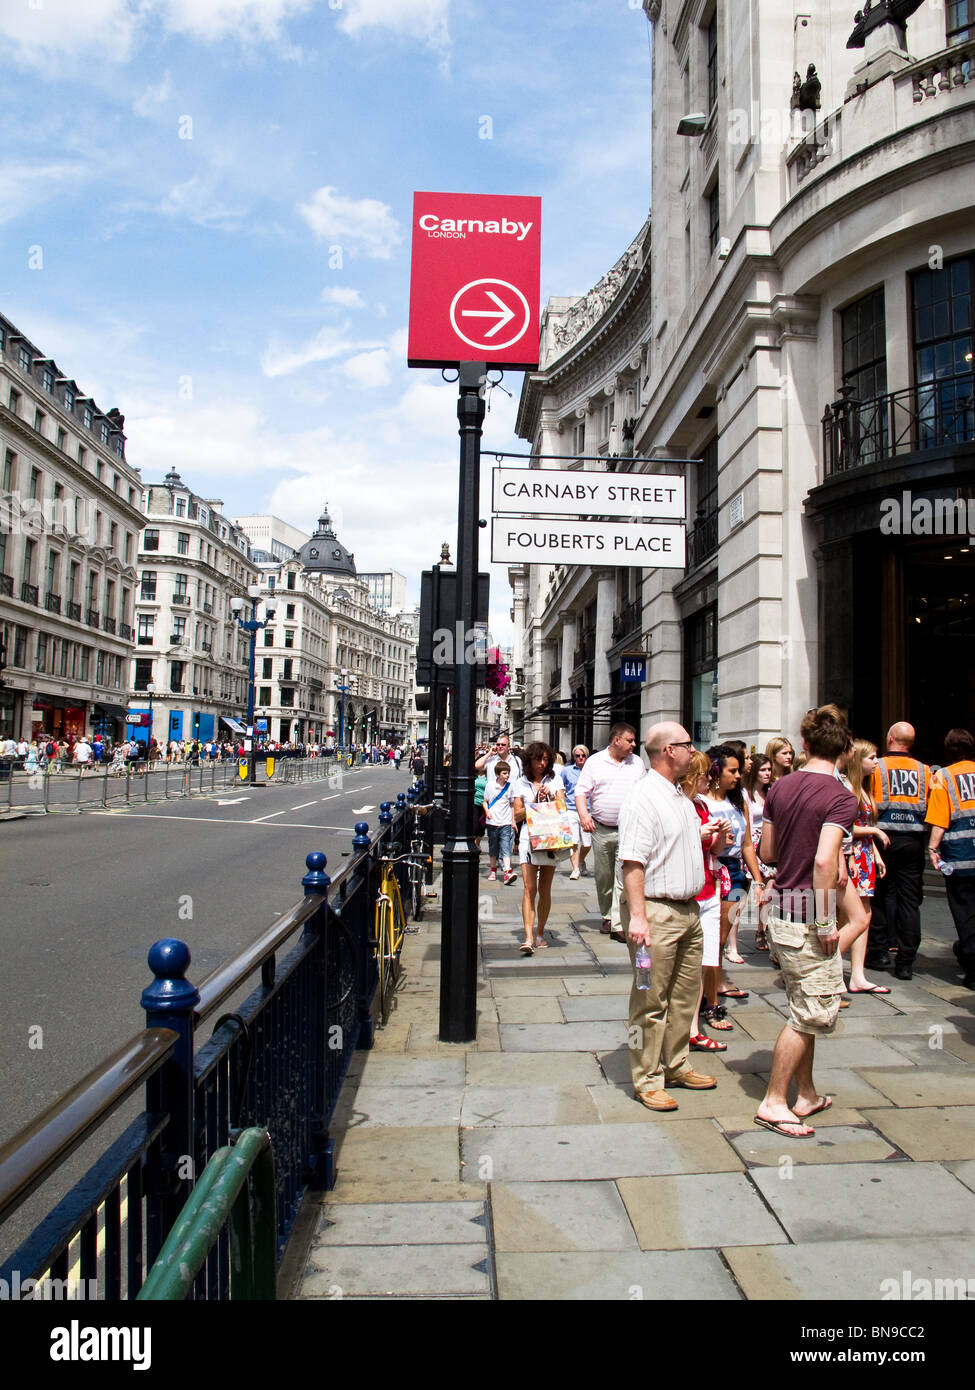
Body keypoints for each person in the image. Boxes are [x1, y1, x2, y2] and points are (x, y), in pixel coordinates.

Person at [755, 705, 857, 1138]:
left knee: (804, 1005)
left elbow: (767, 854)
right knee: (808, 1014)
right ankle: (774, 1101)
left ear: (805, 745)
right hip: (807, 917)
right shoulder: (841, 797)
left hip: (781, 908)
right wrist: (824, 922)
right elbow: (823, 862)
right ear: (845, 750)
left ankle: (807, 1093)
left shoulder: (780, 788)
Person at [619, 723, 717, 1111]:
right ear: (668, 751)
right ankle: (646, 1079)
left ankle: (676, 1064)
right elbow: (632, 863)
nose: (694, 751)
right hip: (656, 915)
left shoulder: (679, 794)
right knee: (648, 998)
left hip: (688, 912)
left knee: (683, 996)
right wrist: (638, 918)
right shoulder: (643, 798)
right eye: (688, 745)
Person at [866, 722, 931, 980]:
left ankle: (879, 952)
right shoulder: (925, 770)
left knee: (879, 896)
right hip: (913, 839)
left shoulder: (876, 767)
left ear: (890, 738)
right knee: (909, 901)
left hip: (882, 837)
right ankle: (906, 961)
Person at [680, 751, 733, 1054]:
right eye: (704, 775)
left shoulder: (701, 805)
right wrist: (697, 834)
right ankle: (685, 1027)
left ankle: (693, 1027)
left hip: (709, 887)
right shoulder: (678, 805)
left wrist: (720, 836)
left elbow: (714, 850)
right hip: (689, 893)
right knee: (686, 965)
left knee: (706, 961)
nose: (710, 779)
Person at [574, 723, 645, 938]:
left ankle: (618, 923)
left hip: (629, 829)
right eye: (630, 740)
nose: (634, 744)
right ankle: (606, 915)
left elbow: (643, 792)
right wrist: (584, 816)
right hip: (601, 828)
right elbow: (581, 792)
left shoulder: (637, 763)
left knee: (623, 876)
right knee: (604, 877)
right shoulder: (595, 762)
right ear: (616, 740)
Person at [925, 728, 975, 990]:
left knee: (964, 910)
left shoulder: (944, 776)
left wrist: (932, 849)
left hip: (960, 855)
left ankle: (971, 961)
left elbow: (939, 819)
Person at [842, 739, 891, 994]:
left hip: (864, 855)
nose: (875, 762)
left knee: (862, 916)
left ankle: (856, 974)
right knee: (856, 917)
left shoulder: (864, 789)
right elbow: (846, 827)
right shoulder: (849, 788)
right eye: (871, 757)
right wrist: (873, 830)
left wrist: (877, 856)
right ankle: (835, 970)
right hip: (852, 856)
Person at [511, 742, 565, 955]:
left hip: (550, 837)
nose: (542, 764)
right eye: (538, 759)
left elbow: (562, 808)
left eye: (545, 760)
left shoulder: (555, 779)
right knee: (529, 889)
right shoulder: (520, 783)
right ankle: (528, 936)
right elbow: (516, 815)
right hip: (528, 837)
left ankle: (540, 931)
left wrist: (550, 796)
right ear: (529, 760)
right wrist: (534, 801)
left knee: (545, 889)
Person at [744, 753, 774, 949]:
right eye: (763, 770)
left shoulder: (772, 791)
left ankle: (764, 928)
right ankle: (760, 930)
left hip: (768, 842)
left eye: (769, 770)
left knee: (769, 889)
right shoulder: (745, 793)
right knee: (755, 886)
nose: (767, 773)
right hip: (751, 843)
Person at [484, 760, 517, 885]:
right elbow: (485, 801)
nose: (507, 776)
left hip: (505, 822)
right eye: (504, 773)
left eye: (508, 773)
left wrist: (513, 821)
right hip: (492, 822)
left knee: (506, 847)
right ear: (498, 774)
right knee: (493, 848)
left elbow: (512, 805)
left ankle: (507, 871)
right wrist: (487, 812)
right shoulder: (490, 786)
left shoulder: (510, 786)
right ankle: (493, 870)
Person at [561, 744, 592, 880]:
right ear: (573, 757)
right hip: (571, 809)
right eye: (577, 755)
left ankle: (581, 860)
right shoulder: (567, 771)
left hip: (588, 810)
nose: (580, 758)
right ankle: (575, 869)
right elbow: (561, 789)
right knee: (573, 841)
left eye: (583, 755)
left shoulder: (592, 770)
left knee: (587, 843)